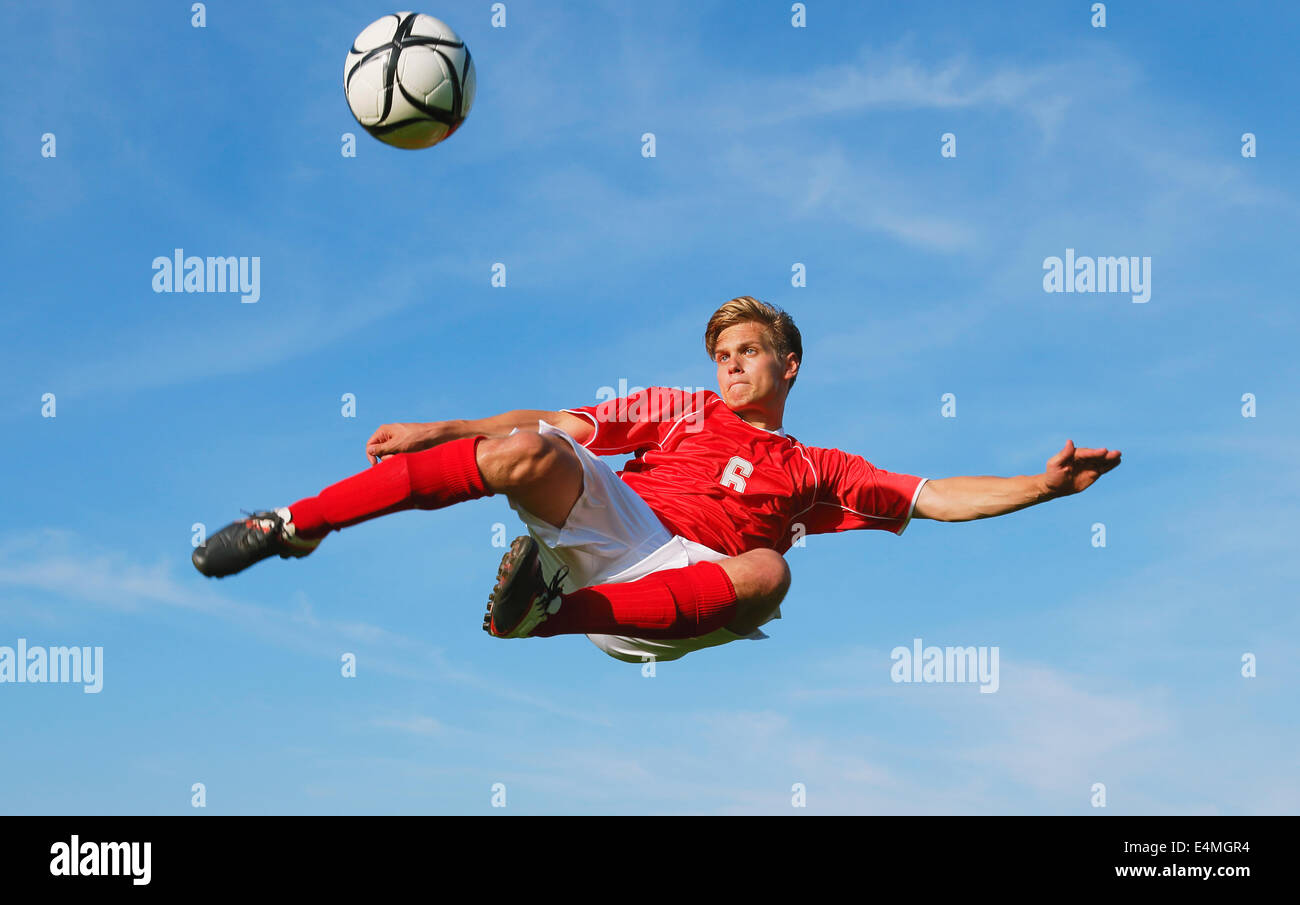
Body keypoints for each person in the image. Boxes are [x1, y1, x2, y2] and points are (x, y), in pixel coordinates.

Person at [192, 296, 1122, 663]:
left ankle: (546, 615)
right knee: (529, 450)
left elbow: (932, 495)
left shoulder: (818, 467)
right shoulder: (676, 407)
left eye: (750, 350)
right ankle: (293, 524)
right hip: (620, 523)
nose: (732, 364)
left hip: (680, 587)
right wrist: (445, 427)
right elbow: (550, 422)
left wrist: (1038, 488)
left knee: (772, 571)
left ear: (790, 365)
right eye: (722, 352)